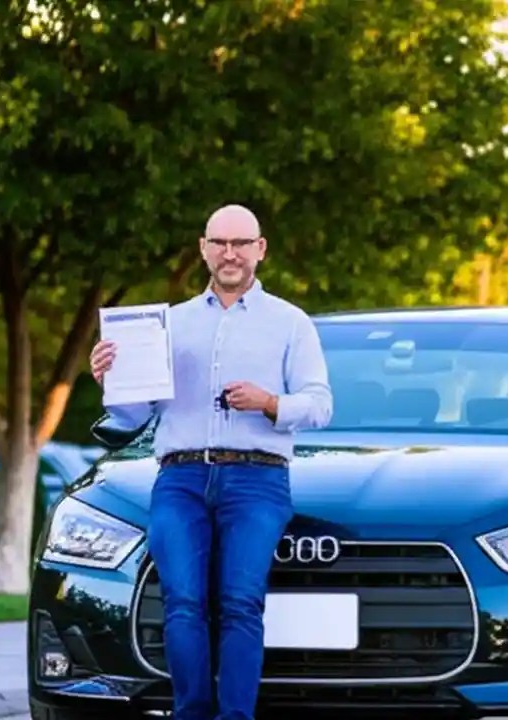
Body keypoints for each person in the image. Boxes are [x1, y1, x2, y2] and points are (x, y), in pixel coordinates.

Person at [88, 204, 333, 720]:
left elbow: (321, 404)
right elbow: (134, 411)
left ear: (260, 250)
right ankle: (192, 713)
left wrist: (269, 403)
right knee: (182, 603)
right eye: (220, 242)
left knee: (241, 603)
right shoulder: (167, 325)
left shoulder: (290, 323)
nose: (230, 253)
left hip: (257, 478)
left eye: (241, 243)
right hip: (180, 477)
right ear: (203, 248)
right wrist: (108, 375)